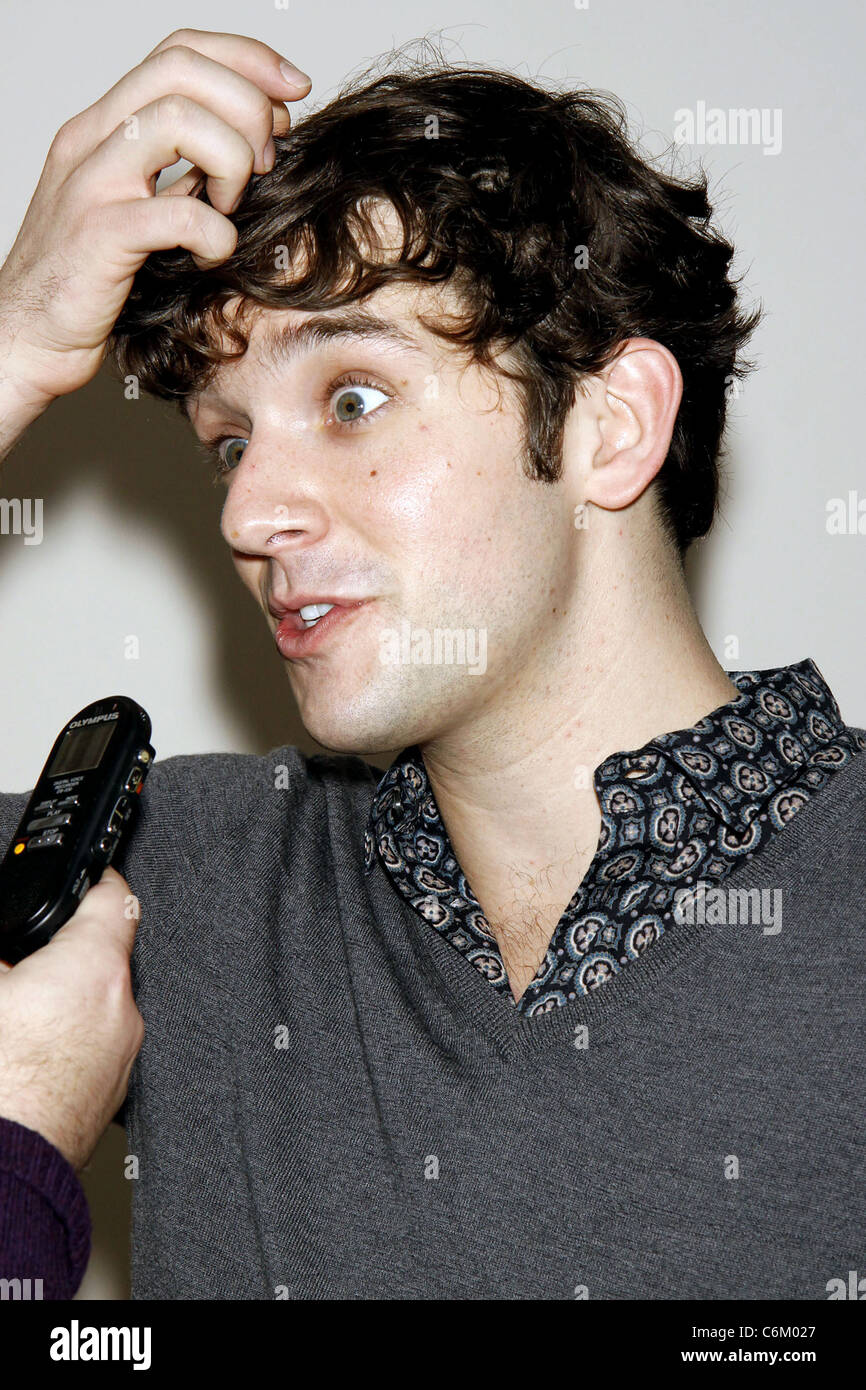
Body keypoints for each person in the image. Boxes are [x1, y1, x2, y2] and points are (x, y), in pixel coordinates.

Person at [0, 27, 863, 1300]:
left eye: (351, 399)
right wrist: (13, 346)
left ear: (611, 426)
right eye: (230, 445)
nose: (248, 515)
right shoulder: (160, 888)